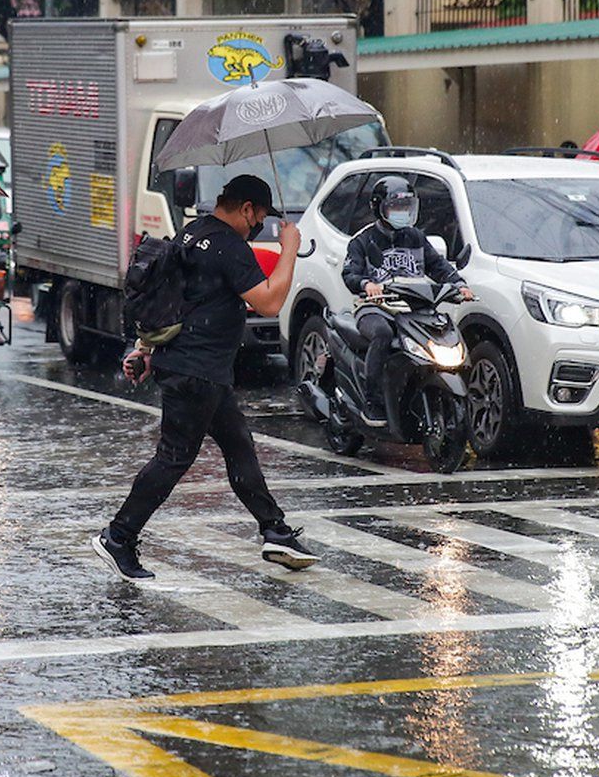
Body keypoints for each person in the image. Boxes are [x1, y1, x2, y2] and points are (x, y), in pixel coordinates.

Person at [92, 175, 319, 581]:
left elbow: (171, 299)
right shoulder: (230, 246)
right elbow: (269, 302)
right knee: (174, 458)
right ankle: (118, 536)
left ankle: (275, 531)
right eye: (258, 219)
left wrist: (145, 349)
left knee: (239, 447)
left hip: (199, 369)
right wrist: (289, 249)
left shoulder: (191, 232)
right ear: (247, 208)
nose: (256, 227)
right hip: (197, 371)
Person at [342, 175, 474, 426]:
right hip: (375, 309)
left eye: (406, 207)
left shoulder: (415, 237)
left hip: (412, 308)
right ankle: (373, 401)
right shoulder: (363, 240)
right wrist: (366, 284)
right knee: (382, 334)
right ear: (379, 208)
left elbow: (439, 267)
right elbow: (350, 274)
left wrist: (459, 285)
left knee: (442, 331)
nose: (401, 212)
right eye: (395, 207)